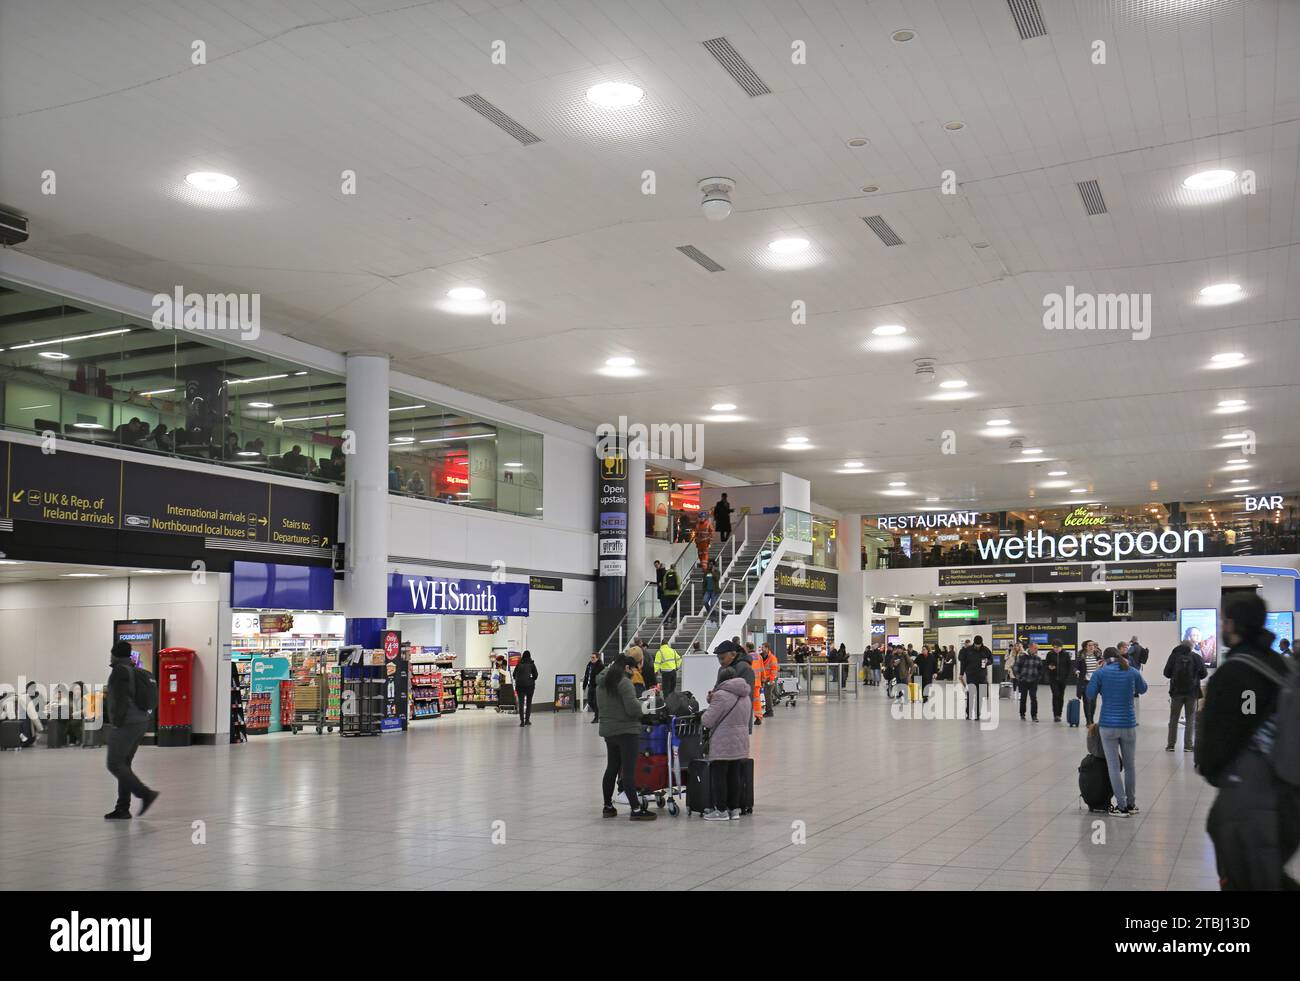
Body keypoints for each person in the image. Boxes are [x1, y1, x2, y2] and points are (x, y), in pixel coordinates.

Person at [1198, 594, 1298, 889]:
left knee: (1254, 879)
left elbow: (1231, 728)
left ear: (1231, 624)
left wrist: (1211, 767)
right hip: (1287, 792)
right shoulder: (1281, 665)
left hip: (1251, 796)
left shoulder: (1236, 672)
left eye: (1223, 620)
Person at [1086, 645, 1148, 816]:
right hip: (1128, 724)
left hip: (1108, 725)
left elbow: (1090, 694)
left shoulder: (1101, 673)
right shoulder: (1132, 671)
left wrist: (1097, 672)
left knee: (1113, 767)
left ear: (1104, 659)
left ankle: (1120, 806)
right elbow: (1143, 689)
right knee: (1130, 766)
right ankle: (1131, 804)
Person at [597, 655, 656, 821]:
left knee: (612, 768)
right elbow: (632, 709)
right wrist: (644, 707)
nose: (634, 672)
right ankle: (636, 809)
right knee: (628, 771)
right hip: (627, 731)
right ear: (627, 668)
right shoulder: (624, 682)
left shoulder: (602, 683)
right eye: (634, 669)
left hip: (609, 731)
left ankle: (608, 806)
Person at [104, 641, 159, 820]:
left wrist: (116, 723)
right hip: (141, 721)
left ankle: (145, 794)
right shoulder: (134, 670)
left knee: (114, 763)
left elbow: (119, 701)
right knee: (124, 764)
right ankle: (122, 808)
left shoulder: (119, 672)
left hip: (127, 723)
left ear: (114, 654)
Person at [700, 656, 752, 821]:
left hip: (723, 742)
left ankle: (720, 810)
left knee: (719, 776)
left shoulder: (721, 695)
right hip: (740, 742)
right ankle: (734, 809)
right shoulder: (745, 695)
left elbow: (707, 720)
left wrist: (709, 704)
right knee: (734, 776)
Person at [1163, 639, 1207, 752]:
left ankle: (1171, 745)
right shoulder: (1196, 657)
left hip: (1176, 693)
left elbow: (1166, 673)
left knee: (1173, 718)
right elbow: (1204, 673)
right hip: (1192, 693)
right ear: (1191, 647)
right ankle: (1188, 746)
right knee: (1190, 719)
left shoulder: (1173, 657)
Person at [960, 636, 991, 720]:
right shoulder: (968, 650)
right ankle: (968, 714)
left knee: (979, 696)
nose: (977, 646)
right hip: (971, 676)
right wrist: (961, 673)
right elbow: (963, 662)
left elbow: (991, 659)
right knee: (970, 695)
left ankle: (977, 714)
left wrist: (987, 662)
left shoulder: (986, 650)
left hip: (981, 676)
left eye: (979, 644)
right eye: (976, 644)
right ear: (974, 642)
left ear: (981, 643)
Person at [1013, 642, 1043, 721]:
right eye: (1035, 648)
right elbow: (1016, 667)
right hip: (1023, 681)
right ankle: (1022, 714)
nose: (1036, 650)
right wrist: (1019, 677)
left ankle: (1034, 715)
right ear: (1030, 647)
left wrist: (1038, 678)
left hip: (1033, 681)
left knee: (1033, 698)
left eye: (1037, 648)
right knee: (1023, 698)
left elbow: (1041, 670)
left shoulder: (1038, 658)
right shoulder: (1022, 656)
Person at [1044, 641, 1071, 722]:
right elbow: (1046, 664)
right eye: (1054, 647)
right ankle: (1056, 715)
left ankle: (1059, 713)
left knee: (1061, 696)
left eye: (1058, 647)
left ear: (1061, 647)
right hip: (1053, 678)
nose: (1056, 649)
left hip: (1063, 679)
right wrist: (1049, 667)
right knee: (1055, 695)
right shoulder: (1049, 654)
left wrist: (1066, 677)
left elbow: (1069, 666)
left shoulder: (1066, 654)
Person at [512, 651, 538, 726]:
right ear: (529, 656)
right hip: (530, 686)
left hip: (519, 686)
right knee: (529, 703)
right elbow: (536, 675)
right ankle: (527, 721)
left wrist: (518, 679)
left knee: (521, 703)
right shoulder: (531, 664)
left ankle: (522, 722)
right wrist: (531, 679)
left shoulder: (519, 664)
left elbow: (514, 675)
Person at [582, 652, 603, 723]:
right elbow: (586, 675)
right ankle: (599, 713)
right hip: (590, 686)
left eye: (593, 657)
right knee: (590, 701)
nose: (592, 659)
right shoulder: (589, 665)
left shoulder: (600, 666)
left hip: (597, 686)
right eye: (591, 657)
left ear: (597, 658)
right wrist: (584, 686)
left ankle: (596, 717)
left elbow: (602, 676)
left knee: (595, 702)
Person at [760, 644, 780, 716]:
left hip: (771, 679)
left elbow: (774, 670)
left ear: (767, 648)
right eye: (761, 647)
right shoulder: (761, 657)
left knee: (767, 695)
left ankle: (769, 711)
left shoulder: (772, 658)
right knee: (770, 694)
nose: (761, 649)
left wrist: (771, 680)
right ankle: (775, 700)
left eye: (763, 648)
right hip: (765, 679)